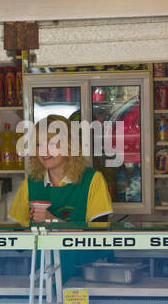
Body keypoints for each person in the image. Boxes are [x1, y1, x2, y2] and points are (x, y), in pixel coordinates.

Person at [8, 115, 113, 279]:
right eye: (38, 144)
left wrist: (53, 221)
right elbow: (18, 243)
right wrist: (32, 229)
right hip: (46, 276)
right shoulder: (31, 184)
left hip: (88, 274)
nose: (44, 150)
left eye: (51, 143)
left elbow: (97, 237)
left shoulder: (92, 179)